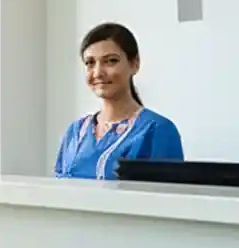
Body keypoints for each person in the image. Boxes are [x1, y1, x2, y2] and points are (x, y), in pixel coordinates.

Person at [54, 22, 184, 180]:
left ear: (135, 64)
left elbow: (165, 199)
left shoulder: (156, 131)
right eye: (90, 63)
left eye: (110, 61)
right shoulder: (75, 132)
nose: (98, 72)